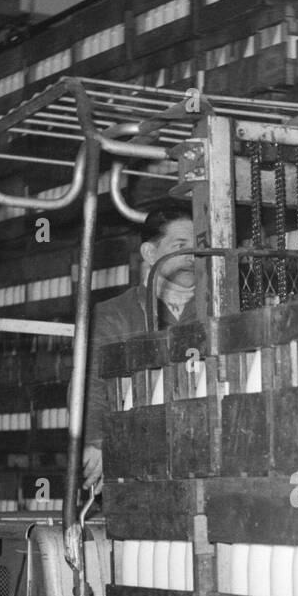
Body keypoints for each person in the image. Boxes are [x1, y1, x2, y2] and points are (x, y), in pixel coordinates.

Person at [80, 203, 196, 493]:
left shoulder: (220, 305)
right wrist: (96, 442)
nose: (193, 255)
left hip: (198, 449)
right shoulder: (115, 313)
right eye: (180, 245)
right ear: (149, 253)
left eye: (199, 245)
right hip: (138, 454)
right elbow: (91, 384)